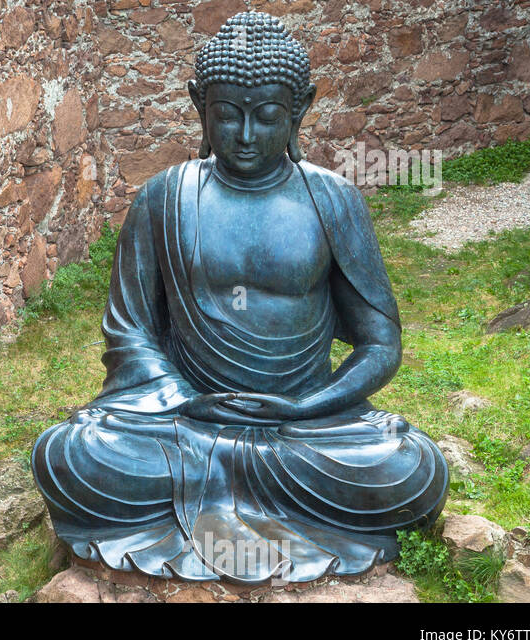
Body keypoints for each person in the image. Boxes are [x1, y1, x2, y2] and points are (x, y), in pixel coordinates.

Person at [31, 11, 447, 583]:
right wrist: (183, 398)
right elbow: (130, 333)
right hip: (184, 422)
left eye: (267, 117)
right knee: (72, 452)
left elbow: (380, 344)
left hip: (304, 428)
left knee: (408, 467)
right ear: (199, 106)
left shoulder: (332, 201)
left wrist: (306, 407)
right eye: (227, 115)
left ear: (300, 110)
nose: (246, 135)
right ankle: (231, 485)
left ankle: (219, 490)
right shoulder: (164, 198)